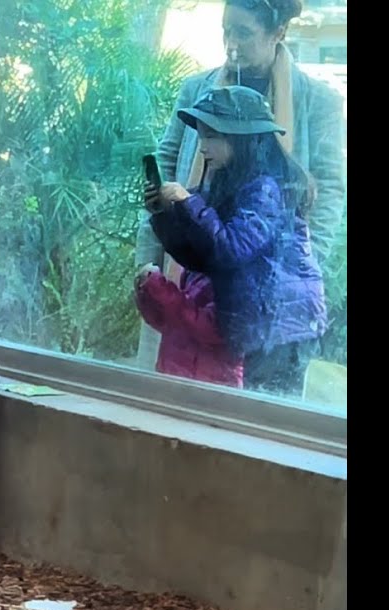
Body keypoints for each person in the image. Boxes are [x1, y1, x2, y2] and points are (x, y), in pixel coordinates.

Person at [133, 0, 345, 370]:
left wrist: (297, 267)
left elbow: (329, 188)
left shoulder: (318, 101)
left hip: (270, 300)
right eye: (226, 30)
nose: (230, 42)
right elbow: (169, 161)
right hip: (193, 269)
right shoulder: (197, 89)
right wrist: (159, 232)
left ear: (278, 33)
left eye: (243, 33)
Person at [144, 85, 326, 396]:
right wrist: (163, 214)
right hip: (255, 323)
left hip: (281, 328)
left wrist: (188, 201)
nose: (203, 147)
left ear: (242, 138)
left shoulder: (268, 188)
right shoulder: (225, 184)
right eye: (202, 136)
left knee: (267, 421)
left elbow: (229, 249)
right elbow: (198, 256)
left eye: (212, 136)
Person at [133, 261, 243, 388]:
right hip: (172, 381)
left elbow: (210, 328)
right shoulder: (195, 268)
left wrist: (158, 287)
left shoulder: (241, 276)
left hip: (210, 391)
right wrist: (146, 292)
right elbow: (168, 323)